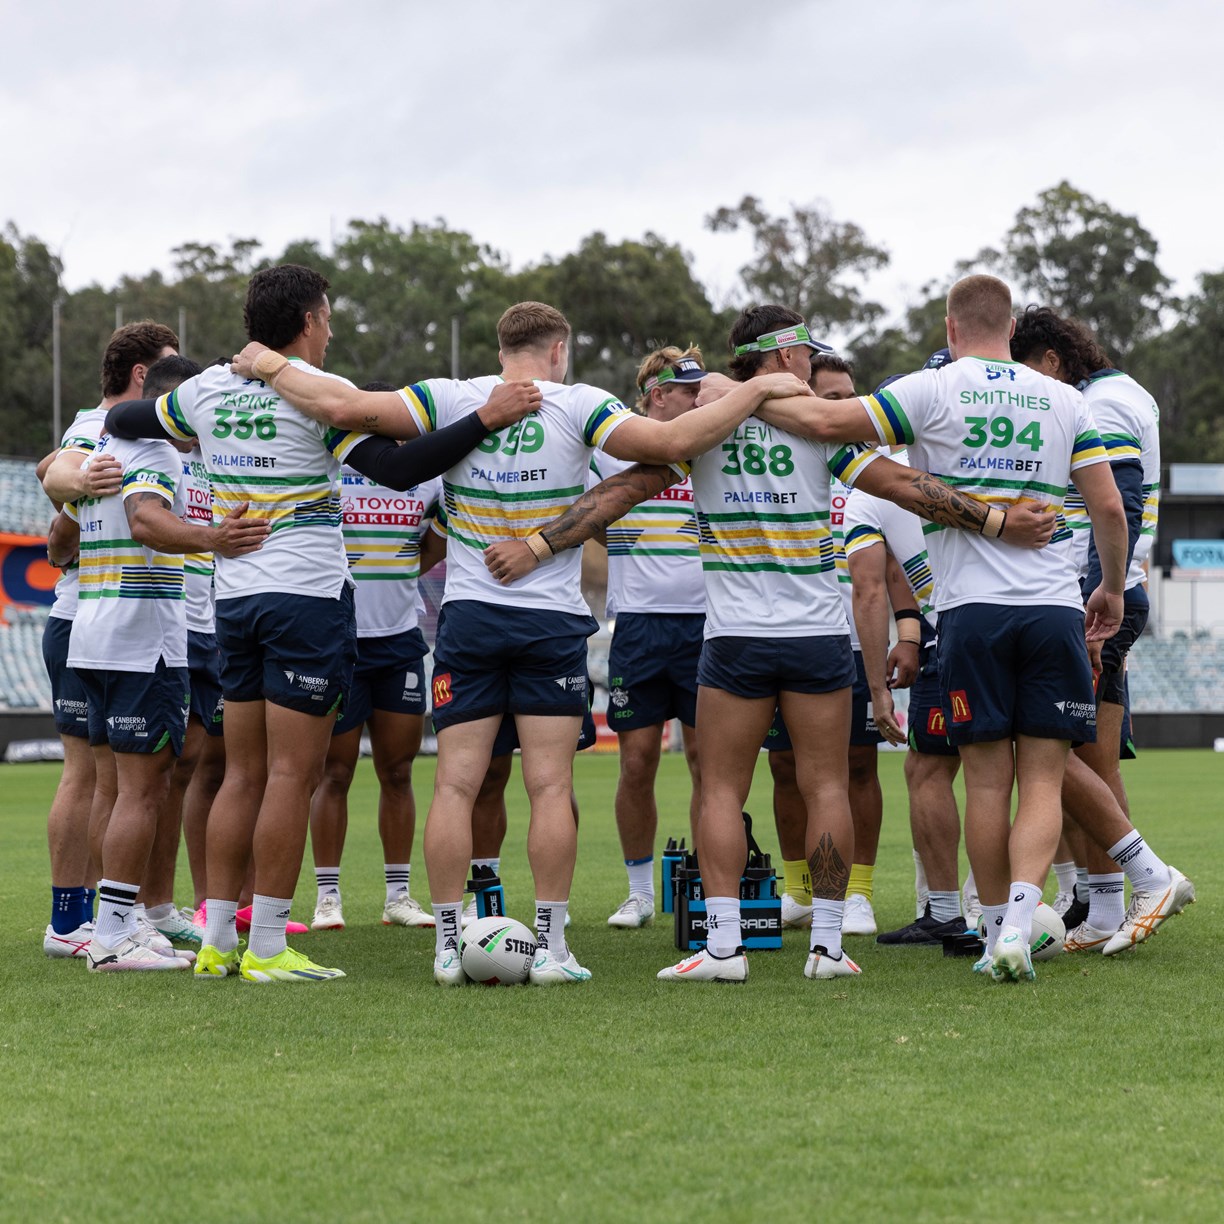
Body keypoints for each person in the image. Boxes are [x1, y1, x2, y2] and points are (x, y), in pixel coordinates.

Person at [230, 299, 815, 987]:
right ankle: (553, 948)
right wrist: (753, 388)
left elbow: (346, 406)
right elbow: (667, 447)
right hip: (548, 621)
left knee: (454, 784)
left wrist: (267, 363)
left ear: (501, 346)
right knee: (548, 785)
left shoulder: (450, 397)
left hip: (470, 617)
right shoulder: (580, 405)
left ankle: (448, 948)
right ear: (558, 349)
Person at [484, 303, 1059, 984]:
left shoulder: (704, 431)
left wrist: (539, 543)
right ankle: (826, 946)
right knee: (827, 787)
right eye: (807, 354)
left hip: (733, 640)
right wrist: (997, 520)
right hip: (817, 636)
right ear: (784, 357)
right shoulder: (818, 429)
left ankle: (724, 949)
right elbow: (909, 487)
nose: (813, 364)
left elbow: (618, 493)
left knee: (721, 789)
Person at [107, 264, 542, 984]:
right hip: (305, 600)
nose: (331, 330)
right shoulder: (314, 400)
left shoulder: (204, 391)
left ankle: (216, 942)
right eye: (329, 318)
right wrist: (484, 419)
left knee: (240, 774)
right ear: (307, 322)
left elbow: (128, 419)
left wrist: (101, 429)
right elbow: (399, 469)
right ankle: (270, 947)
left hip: (234, 602)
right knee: (290, 773)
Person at [846, 274, 1131, 982]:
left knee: (982, 782)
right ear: (1011, 328)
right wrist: (1113, 588)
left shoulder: (932, 388)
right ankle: (1020, 927)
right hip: (1053, 607)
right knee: (1042, 778)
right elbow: (1111, 512)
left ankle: (992, 925)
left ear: (951, 326)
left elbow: (845, 440)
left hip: (971, 612)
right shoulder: (1066, 398)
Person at [1011, 307, 1192, 955]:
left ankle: (1140, 885)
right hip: (1104, 595)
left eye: (1026, 371)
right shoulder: (1116, 394)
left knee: (1056, 752)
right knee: (1084, 755)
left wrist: (1098, 601)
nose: (1024, 390)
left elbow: (1114, 506)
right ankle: (1110, 906)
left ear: (1052, 360)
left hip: (1097, 599)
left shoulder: (1106, 403)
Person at [69, 388, 269, 971]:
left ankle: (121, 921)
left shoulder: (99, 455)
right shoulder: (156, 454)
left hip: (92, 633)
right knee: (143, 790)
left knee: (114, 788)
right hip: (143, 642)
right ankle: (113, 938)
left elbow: (60, 538)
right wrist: (213, 538)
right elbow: (147, 522)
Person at [37, 321, 179, 958]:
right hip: (104, 614)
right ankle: (92, 921)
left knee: (97, 778)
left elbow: (55, 496)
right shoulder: (111, 434)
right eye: (174, 372)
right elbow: (54, 498)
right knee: (104, 780)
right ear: (144, 375)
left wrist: (67, 489)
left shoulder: (85, 434)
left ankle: (90, 918)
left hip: (82, 612)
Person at [308, 383, 448, 932]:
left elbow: (432, 545)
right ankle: (327, 897)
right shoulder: (334, 467)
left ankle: (397, 894)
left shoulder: (424, 476)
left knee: (398, 769)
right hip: (340, 641)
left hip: (399, 640)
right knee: (334, 772)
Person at [595, 346, 707, 929]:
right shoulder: (607, 452)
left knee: (707, 762)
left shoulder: (709, 447)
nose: (700, 402)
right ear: (658, 395)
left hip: (709, 626)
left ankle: (715, 893)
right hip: (638, 626)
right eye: (690, 393)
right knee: (636, 761)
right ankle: (640, 892)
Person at [843, 445, 968, 944]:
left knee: (943, 769)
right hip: (1045, 611)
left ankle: (965, 911)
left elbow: (873, 584)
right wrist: (911, 634)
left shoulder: (872, 480)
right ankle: (1080, 895)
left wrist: (880, 688)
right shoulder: (984, 452)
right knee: (1032, 761)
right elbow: (892, 575)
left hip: (961, 624)